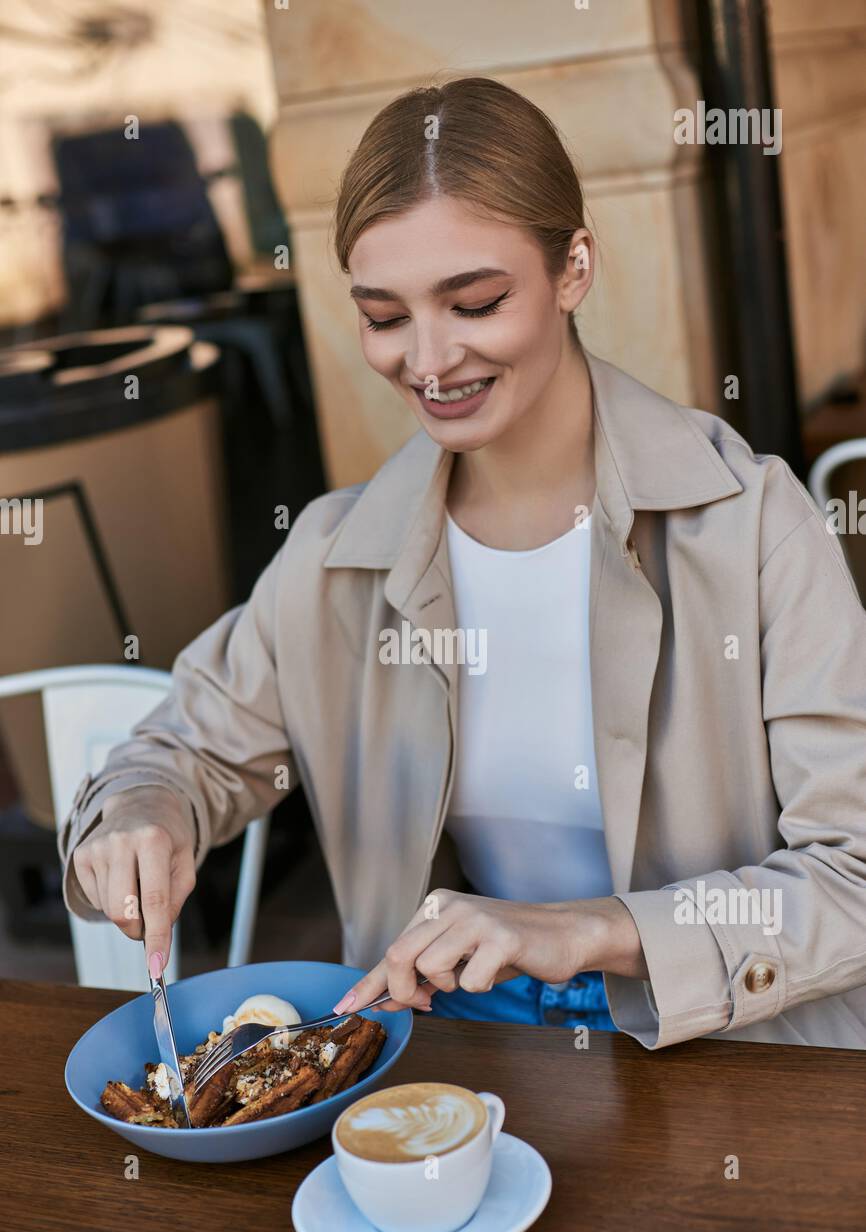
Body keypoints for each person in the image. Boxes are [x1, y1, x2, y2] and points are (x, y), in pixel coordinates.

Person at [58, 77, 866, 1049]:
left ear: (573, 269)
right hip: (451, 1053)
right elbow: (179, 754)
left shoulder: (753, 524)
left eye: (473, 301)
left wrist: (587, 930)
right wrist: (142, 817)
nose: (429, 362)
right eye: (384, 316)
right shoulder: (334, 556)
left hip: (713, 1045)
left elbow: (851, 874)